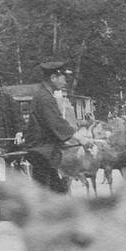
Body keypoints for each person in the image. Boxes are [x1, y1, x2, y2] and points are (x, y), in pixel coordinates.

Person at [25, 60, 80, 194]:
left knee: (56, 191)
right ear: (53, 78)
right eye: (63, 77)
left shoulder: (45, 95)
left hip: (45, 152)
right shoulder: (44, 98)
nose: (65, 81)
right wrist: (78, 137)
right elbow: (55, 122)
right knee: (48, 192)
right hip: (41, 152)